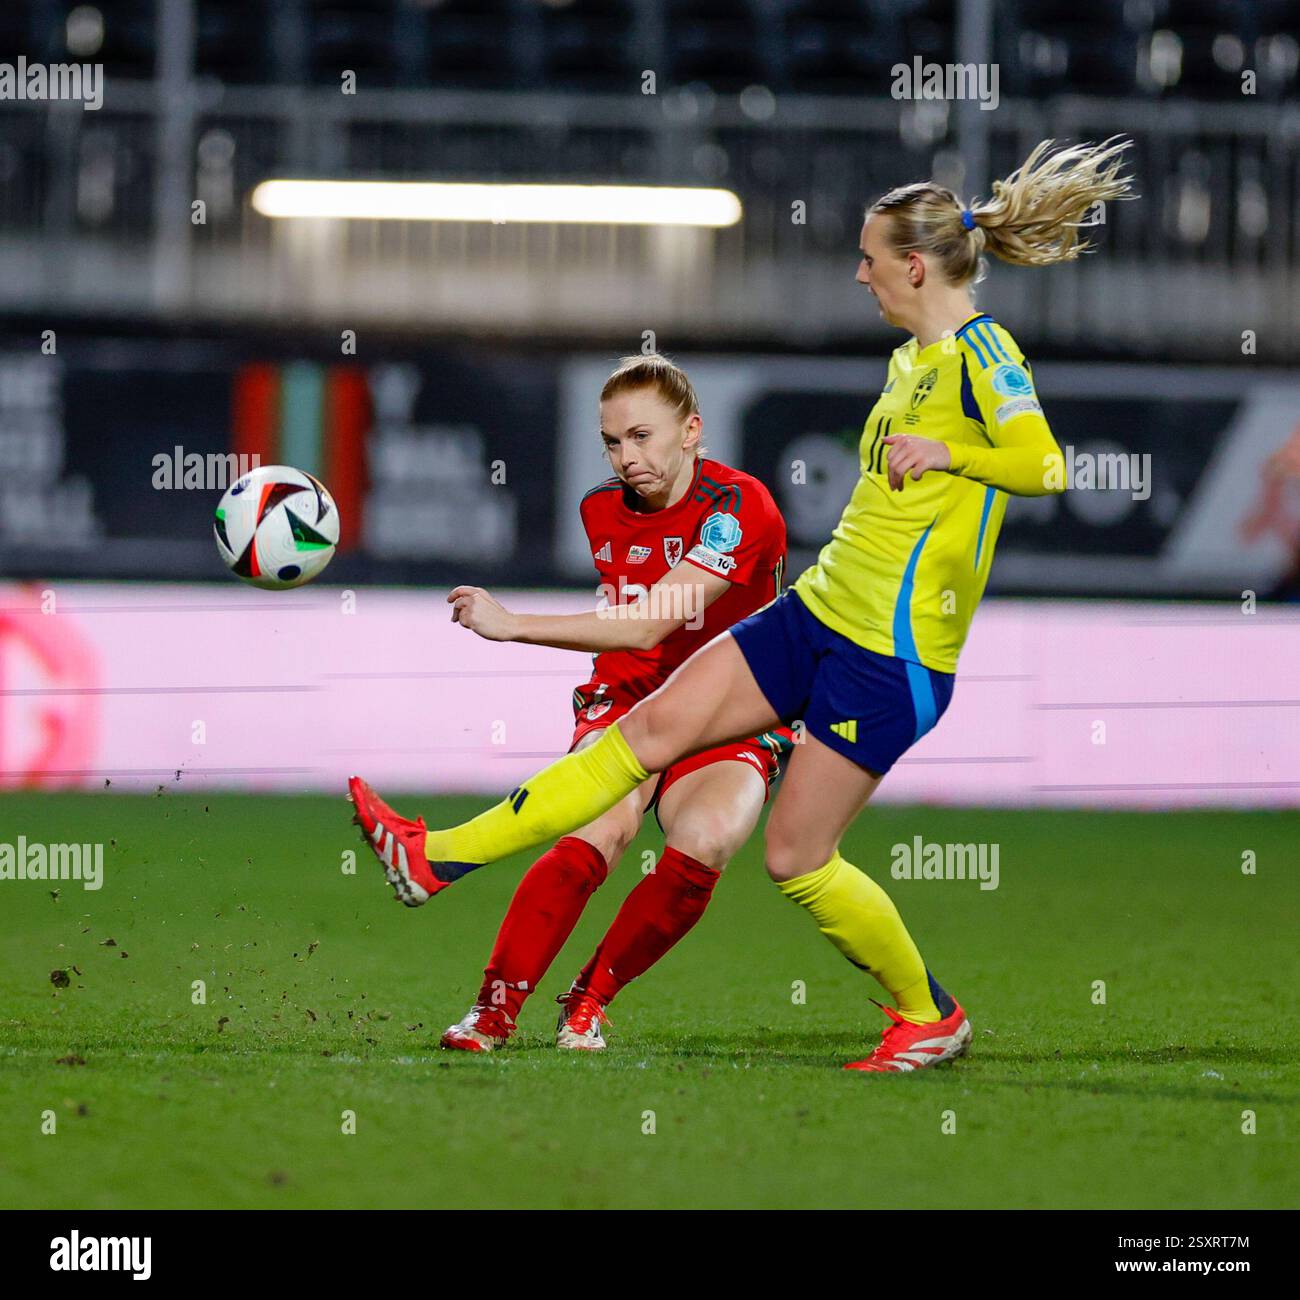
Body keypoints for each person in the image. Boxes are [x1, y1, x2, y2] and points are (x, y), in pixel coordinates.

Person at [352, 137, 1133, 1072]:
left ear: (913, 265)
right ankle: (437, 857)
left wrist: (954, 455)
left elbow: (1045, 464)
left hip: (891, 656)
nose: (860, 273)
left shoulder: (981, 351)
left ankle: (929, 1014)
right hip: (816, 612)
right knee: (643, 734)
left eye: (870, 259)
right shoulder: (910, 364)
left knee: (796, 858)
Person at [422, 353, 790, 1051]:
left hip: (732, 709)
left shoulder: (739, 509)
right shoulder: (600, 509)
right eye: (612, 442)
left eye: (642, 436)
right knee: (597, 831)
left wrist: (513, 625)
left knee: (705, 841)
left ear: (692, 431)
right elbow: (636, 638)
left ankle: (589, 997)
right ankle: (492, 1012)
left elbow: (654, 619)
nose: (626, 457)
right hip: (628, 699)